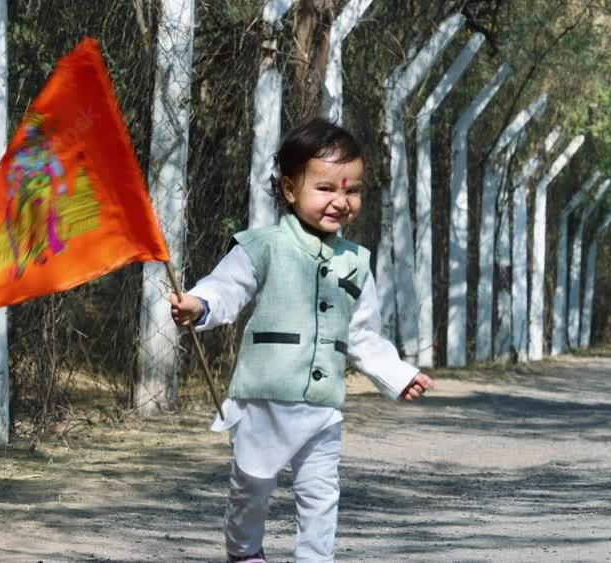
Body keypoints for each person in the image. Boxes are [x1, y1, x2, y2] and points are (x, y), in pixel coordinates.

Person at [169, 118, 435, 562]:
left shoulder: (356, 262)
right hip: (263, 401)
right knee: (251, 488)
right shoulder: (263, 246)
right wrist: (198, 305)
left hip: (323, 407)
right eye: (326, 188)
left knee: (320, 494)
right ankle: (244, 552)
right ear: (290, 190)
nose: (340, 201)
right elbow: (226, 288)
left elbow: (362, 333)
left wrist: (396, 374)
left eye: (351, 191)